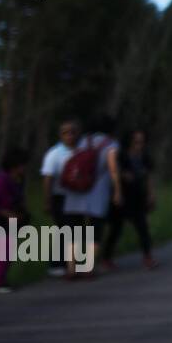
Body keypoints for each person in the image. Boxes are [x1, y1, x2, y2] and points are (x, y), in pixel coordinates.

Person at [61, 115, 120, 279]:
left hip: (75, 192)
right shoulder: (111, 144)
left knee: (74, 232)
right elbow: (113, 168)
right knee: (94, 232)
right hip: (97, 193)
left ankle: (71, 269)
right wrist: (117, 191)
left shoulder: (82, 141)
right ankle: (87, 267)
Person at [101, 129, 158, 271]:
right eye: (136, 141)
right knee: (116, 228)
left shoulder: (144, 156)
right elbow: (115, 173)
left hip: (138, 195)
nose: (139, 144)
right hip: (122, 196)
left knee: (142, 227)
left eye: (142, 141)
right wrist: (117, 192)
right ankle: (106, 258)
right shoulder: (121, 155)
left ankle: (148, 257)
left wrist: (151, 194)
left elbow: (149, 176)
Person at [40, 118, 80, 277]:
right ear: (60, 135)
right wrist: (47, 200)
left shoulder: (81, 150)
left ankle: (69, 262)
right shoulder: (54, 154)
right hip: (60, 197)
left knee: (74, 230)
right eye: (65, 133)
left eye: (72, 132)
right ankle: (58, 264)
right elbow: (48, 178)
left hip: (77, 196)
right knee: (65, 230)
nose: (69, 135)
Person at [0, 147, 30, 294]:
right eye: (23, 165)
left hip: (9, 222)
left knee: (7, 251)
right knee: (3, 249)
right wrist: (7, 213)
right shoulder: (0, 180)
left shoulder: (17, 181)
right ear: (15, 165)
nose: (25, 168)